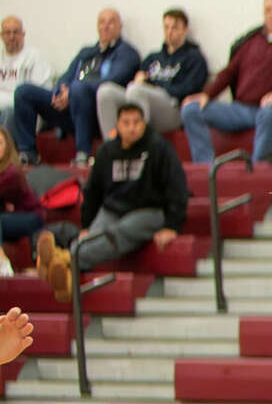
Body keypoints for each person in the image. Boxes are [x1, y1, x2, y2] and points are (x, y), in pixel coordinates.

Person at [32, 103, 187, 303]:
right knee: (92, 236)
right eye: (126, 123)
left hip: (149, 211)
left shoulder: (159, 147)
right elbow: (92, 191)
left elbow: (177, 186)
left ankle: (63, 258)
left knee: (119, 232)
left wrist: (172, 226)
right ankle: (66, 279)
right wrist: (87, 226)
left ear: (144, 124)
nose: (132, 127)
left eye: (136, 122)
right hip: (113, 209)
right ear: (118, 125)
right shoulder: (108, 151)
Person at [182, 0, 272, 165]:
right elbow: (229, 72)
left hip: (267, 110)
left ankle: (257, 168)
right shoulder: (250, 41)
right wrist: (207, 94)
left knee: (271, 110)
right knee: (191, 110)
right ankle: (205, 166)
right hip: (239, 109)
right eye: (268, 10)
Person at [6, 8, 138, 168]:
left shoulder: (127, 53)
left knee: (79, 88)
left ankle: (83, 153)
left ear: (120, 26)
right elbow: (66, 76)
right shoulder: (86, 52)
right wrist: (60, 92)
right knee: (23, 92)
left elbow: (113, 80)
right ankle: (28, 153)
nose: (106, 26)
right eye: (102, 22)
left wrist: (73, 90)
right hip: (71, 109)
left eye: (111, 22)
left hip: (96, 114)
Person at [93, 7, 207, 141]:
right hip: (143, 100)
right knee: (105, 91)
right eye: (166, 27)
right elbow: (137, 80)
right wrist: (142, 82)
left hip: (173, 108)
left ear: (185, 29)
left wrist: (153, 84)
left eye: (175, 27)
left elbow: (185, 90)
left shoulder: (194, 58)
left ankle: (139, 147)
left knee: (136, 90)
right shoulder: (153, 58)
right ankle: (111, 145)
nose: (170, 32)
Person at [0, 127, 42, 273]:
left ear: (8, 146)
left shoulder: (11, 172)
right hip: (11, 218)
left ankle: (1, 260)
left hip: (32, 217)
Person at [0, 16, 52, 132]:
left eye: (16, 32)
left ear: (23, 34)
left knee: (8, 113)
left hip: (25, 114)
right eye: (7, 33)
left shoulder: (34, 57)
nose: (12, 37)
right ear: (1, 36)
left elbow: (35, 96)